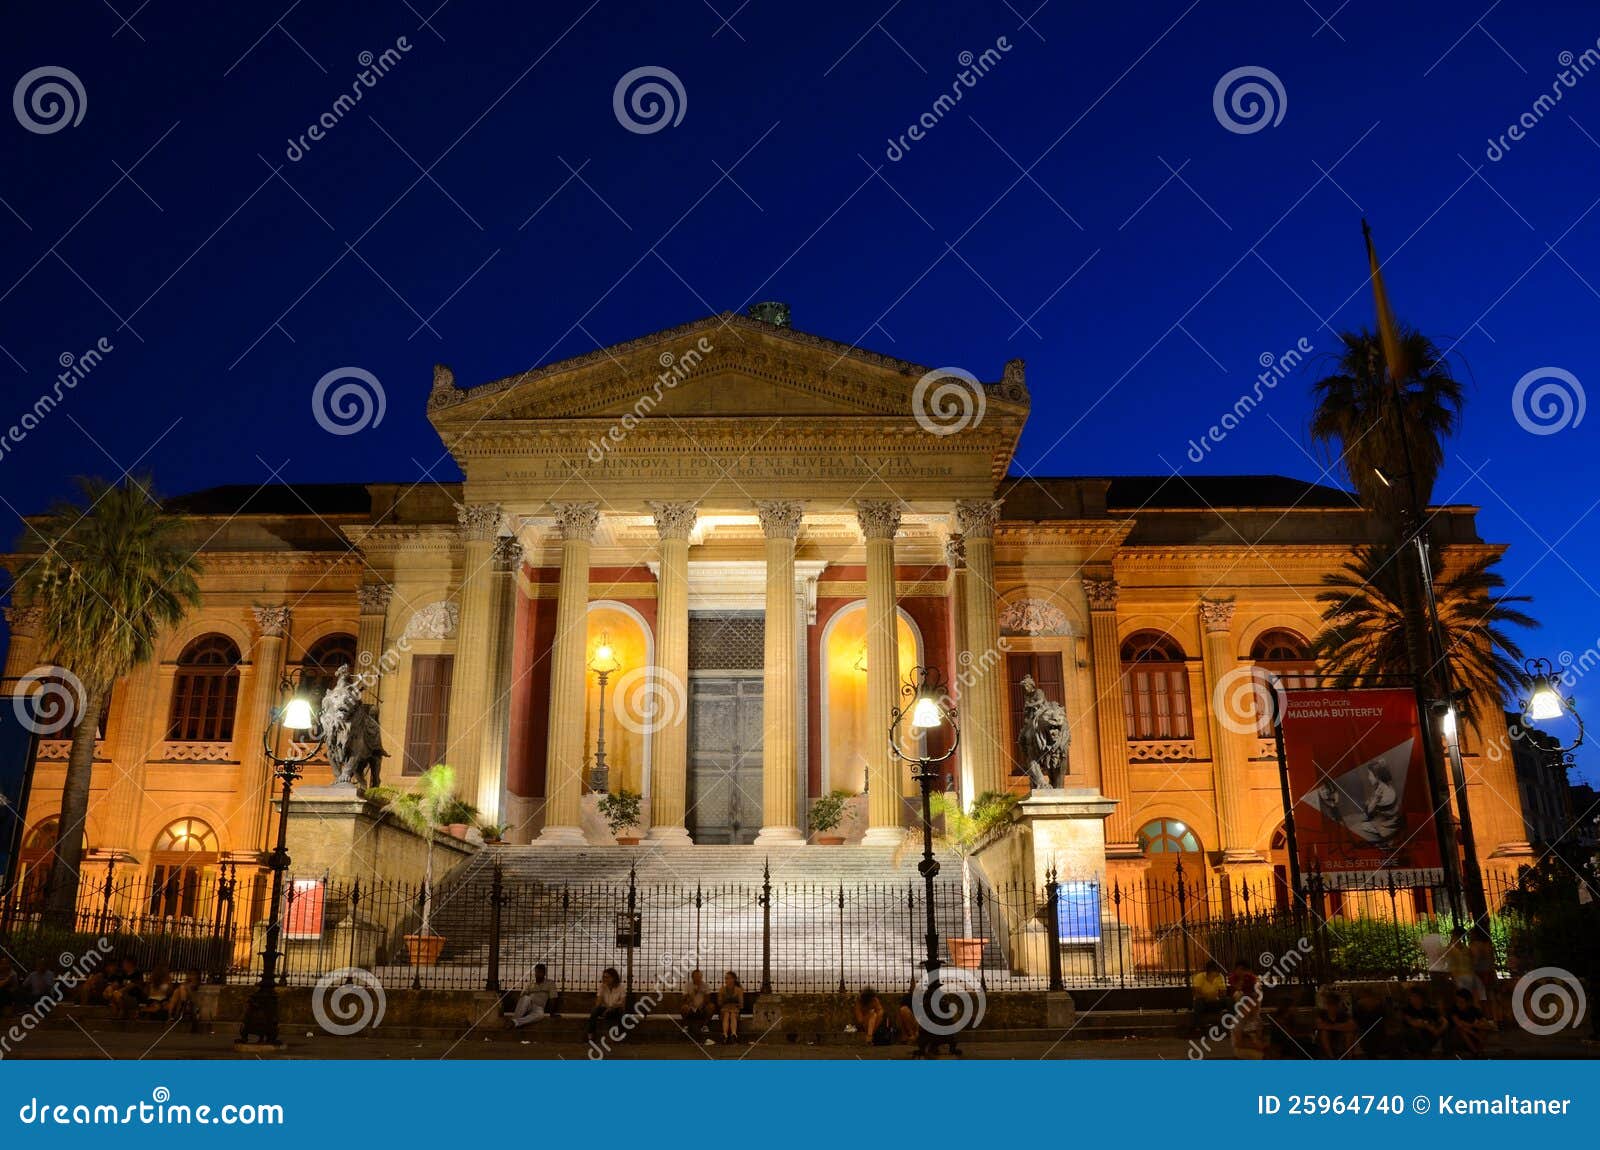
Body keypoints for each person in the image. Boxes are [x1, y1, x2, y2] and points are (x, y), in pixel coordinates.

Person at [1399, 987, 1446, 1057]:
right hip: (1414, 1039)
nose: (1412, 999)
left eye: (1415, 996)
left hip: (1429, 1037)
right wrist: (1429, 1027)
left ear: (1421, 998)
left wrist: (1440, 1030)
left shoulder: (1429, 1010)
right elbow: (1413, 1023)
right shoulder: (1407, 1010)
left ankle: (1436, 1049)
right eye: (1411, 996)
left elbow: (1444, 1021)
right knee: (1414, 1032)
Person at [1448, 988, 1494, 1057]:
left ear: (1468, 1003)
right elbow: (1459, 1024)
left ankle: (1478, 1051)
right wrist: (1475, 1034)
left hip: (1470, 1034)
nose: (1458, 1004)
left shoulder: (1474, 1010)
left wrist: (1474, 1026)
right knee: (1461, 1029)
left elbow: (1487, 1025)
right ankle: (1475, 1052)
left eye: (1461, 1002)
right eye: (1457, 1002)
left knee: (1482, 1029)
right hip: (1456, 1037)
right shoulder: (1454, 1009)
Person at [507, 963, 554, 1028]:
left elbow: (553, 998)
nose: (538, 974)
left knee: (540, 1015)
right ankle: (515, 1019)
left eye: (541, 972)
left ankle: (515, 1022)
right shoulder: (530, 983)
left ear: (544, 973)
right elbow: (522, 996)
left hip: (538, 1007)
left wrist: (552, 1013)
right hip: (528, 1005)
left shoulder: (550, 983)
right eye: (537, 972)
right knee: (526, 998)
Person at [1314, 988, 1357, 1059]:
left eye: (1334, 1004)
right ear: (1327, 1004)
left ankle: (1349, 1057)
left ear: (1338, 1005)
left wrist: (1331, 1026)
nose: (1332, 1007)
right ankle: (1332, 1058)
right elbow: (1319, 1025)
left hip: (1340, 1037)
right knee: (1324, 1032)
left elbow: (1353, 1026)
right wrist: (1341, 1027)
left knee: (1349, 1033)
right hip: (1325, 1040)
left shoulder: (1343, 1014)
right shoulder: (1321, 1014)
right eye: (1330, 1004)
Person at [584, 967, 625, 1039]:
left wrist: (611, 1008)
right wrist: (602, 991)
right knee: (594, 1011)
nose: (605, 979)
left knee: (619, 1012)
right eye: (604, 977)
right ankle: (590, 1033)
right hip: (605, 1008)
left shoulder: (620, 987)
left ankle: (619, 1034)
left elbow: (622, 1003)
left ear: (613, 978)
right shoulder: (602, 987)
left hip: (616, 1008)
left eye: (607, 977)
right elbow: (598, 1003)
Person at [1352, 987, 1392, 1058]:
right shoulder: (1378, 1003)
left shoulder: (1359, 1004)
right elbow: (1385, 1017)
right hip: (1374, 1031)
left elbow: (1356, 1018)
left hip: (1369, 1031)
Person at [1190, 960, 1228, 1032]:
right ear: (1210, 971)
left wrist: (1217, 997)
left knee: (1228, 1001)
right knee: (1198, 1003)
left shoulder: (1219, 976)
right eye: (1215, 971)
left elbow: (1223, 992)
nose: (1217, 973)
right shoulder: (1199, 977)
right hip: (1203, 1001)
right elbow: (1196, 993)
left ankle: (1227, 1025)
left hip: (1215, 1001)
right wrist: (1207, 997)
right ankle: (1197, 1027)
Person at [680, 969, 713, 1036]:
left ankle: (705, 1025)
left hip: (702, 1006)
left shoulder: (705, 985)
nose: (698, 978)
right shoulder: (688, 985)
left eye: (700, 976)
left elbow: (708, 999)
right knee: (684, 1008)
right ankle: (686, 1025)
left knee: (711, 1007)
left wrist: (703, 1003)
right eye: (696, 976)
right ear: (693, 977)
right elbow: (684, 999)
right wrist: (693, 994)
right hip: (690, 1006)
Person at [717, 971, 744, 1044]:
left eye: (728, 978)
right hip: (724, 1010)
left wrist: (734, 1006)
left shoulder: (738, 990)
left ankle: (733, 1034)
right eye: (726, 979)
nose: (726, 980)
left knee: (732, 1014)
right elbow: (719, 1003)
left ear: (733, 979)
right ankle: (726, 1035)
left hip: (735, 1011)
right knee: (726, 1014)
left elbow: (741, 1004)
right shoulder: (722, 989)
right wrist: (726, 1005)